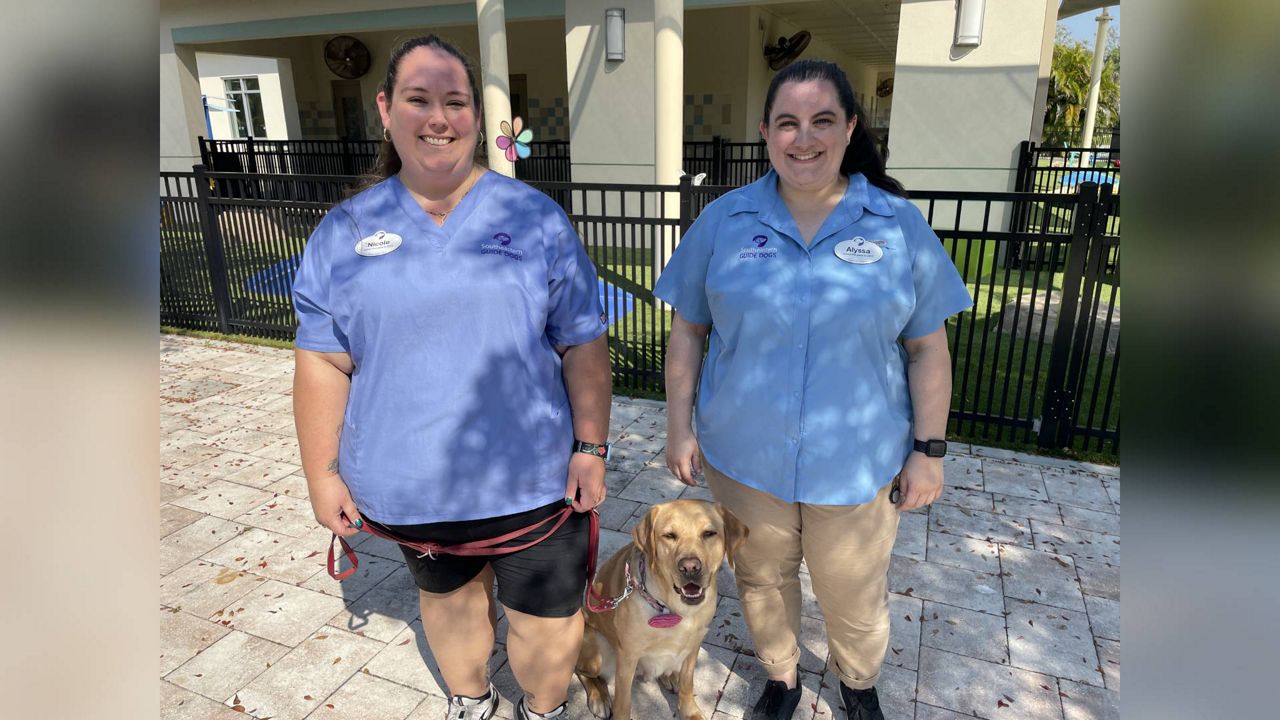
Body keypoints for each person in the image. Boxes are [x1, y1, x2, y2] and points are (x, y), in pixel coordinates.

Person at [291, 35, 612, 720]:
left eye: (455, 101)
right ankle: (472, 702)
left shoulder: (534, 219)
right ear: (386, 109)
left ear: (476, 114)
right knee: (452, 603)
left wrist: (590, 446)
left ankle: (545, 707)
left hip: (535, 477)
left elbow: (583, 340)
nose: (438, 117)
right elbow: (323, 359)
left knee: (547, 626)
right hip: (414, 484)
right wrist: (322, 472)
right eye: (418, 99)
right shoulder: (345, 232)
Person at [655, 60, 973, 720]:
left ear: (850, 127)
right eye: (788, 123)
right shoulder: (724, 220)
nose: (805, 138)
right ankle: (781, 678)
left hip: (855, 464)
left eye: (823, 120)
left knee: (852, 591)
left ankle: (856, 683)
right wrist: (679, 426)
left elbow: (927, 348)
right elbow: (688, 331)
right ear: (767, 132)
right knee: (760, 578)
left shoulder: (895, 224)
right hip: (745, 457)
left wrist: (929, 451)